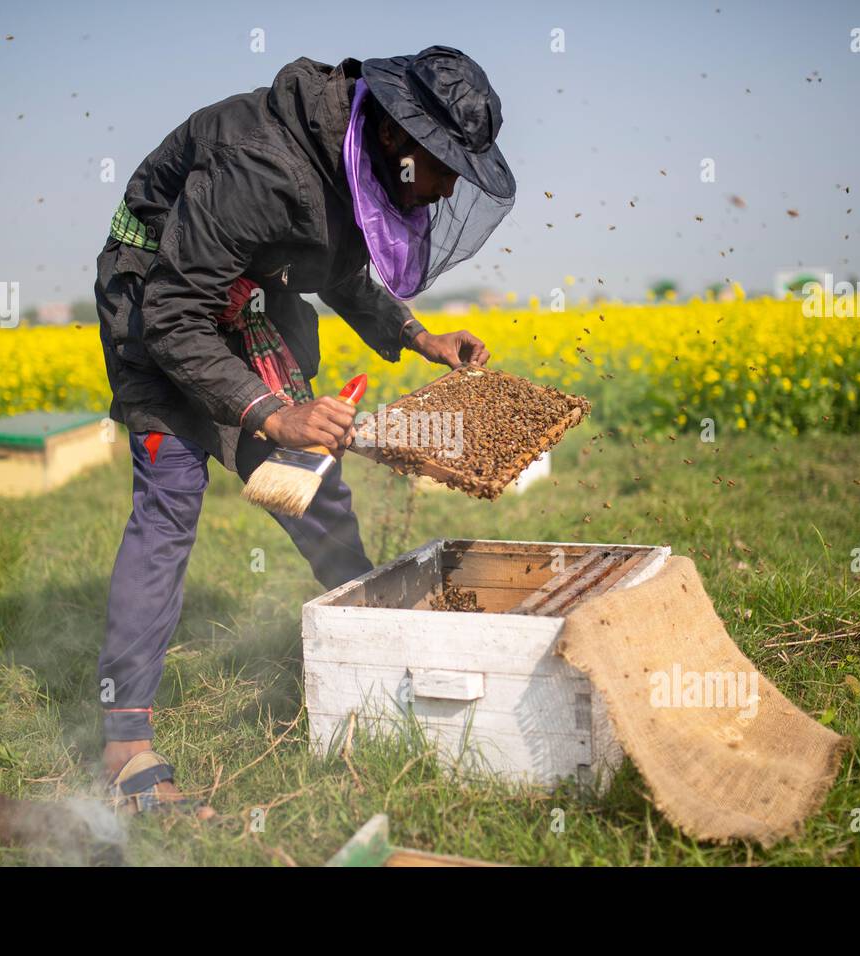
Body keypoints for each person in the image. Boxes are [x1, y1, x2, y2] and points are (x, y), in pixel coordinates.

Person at [95, 45, 516, 814]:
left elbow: (341, 266)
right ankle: (124, 745)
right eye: (443, 163)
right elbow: (173, 314)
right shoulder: (260, 166)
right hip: (159, 297)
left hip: (250, 295)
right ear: (395, 136)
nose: (449, 185)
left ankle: (370, 638)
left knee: (315, 473)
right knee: (171, 498)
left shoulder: (351, 156)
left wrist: (419, 337)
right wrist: (271, 412)